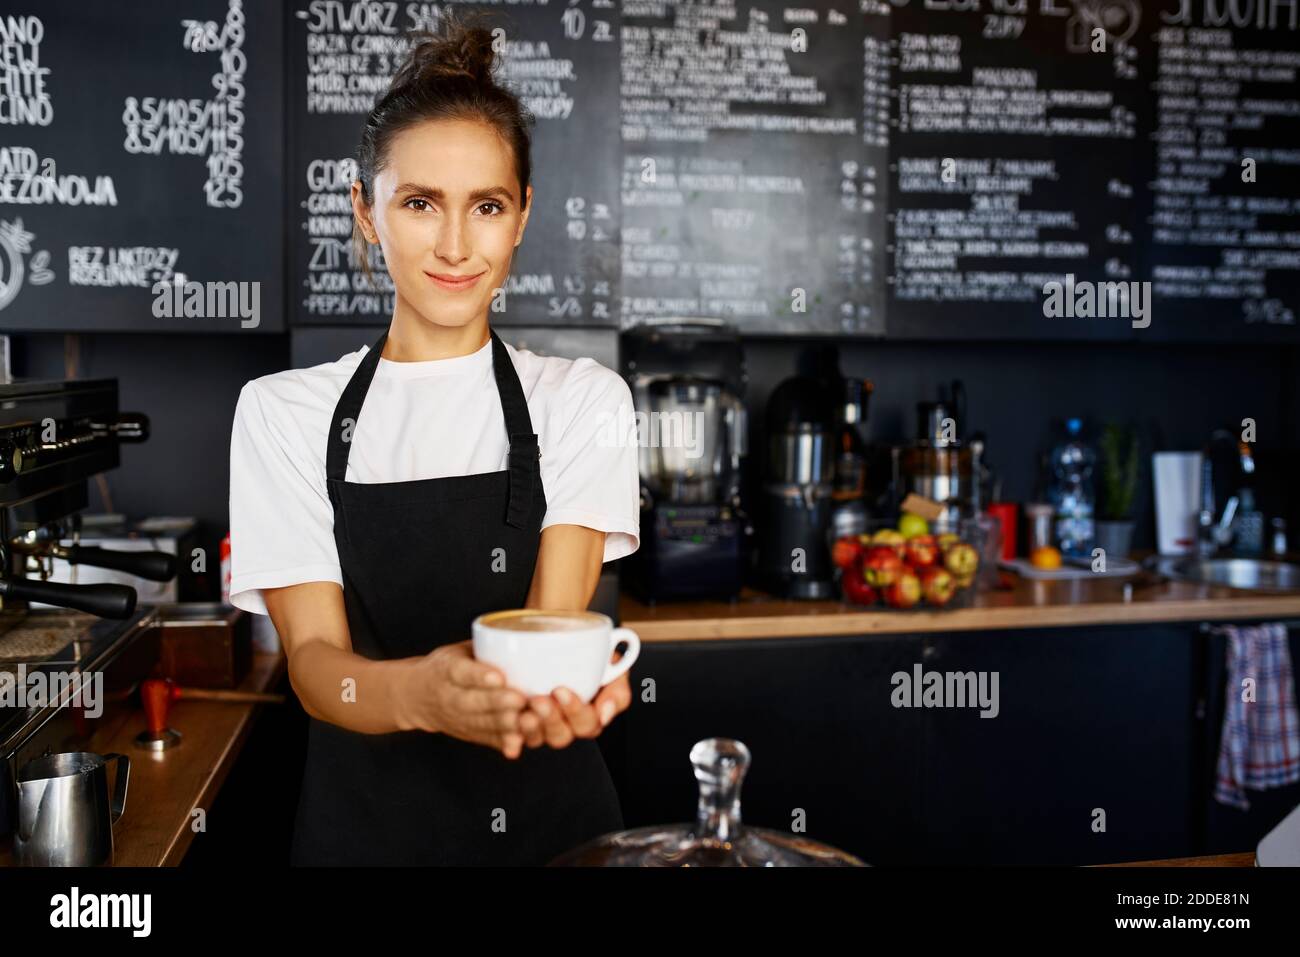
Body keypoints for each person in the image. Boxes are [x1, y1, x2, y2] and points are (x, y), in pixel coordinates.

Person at [227, 13, 640, 865]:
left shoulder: (584, 402)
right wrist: (422, 692)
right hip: (361, 838)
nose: (455, 245)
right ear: (367, 212)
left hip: (553, 838)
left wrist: (561, 693)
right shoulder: (283, 412)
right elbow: (313, 666)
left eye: (486, 206)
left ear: (522, 216)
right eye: (420, 203)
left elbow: (553, 631)